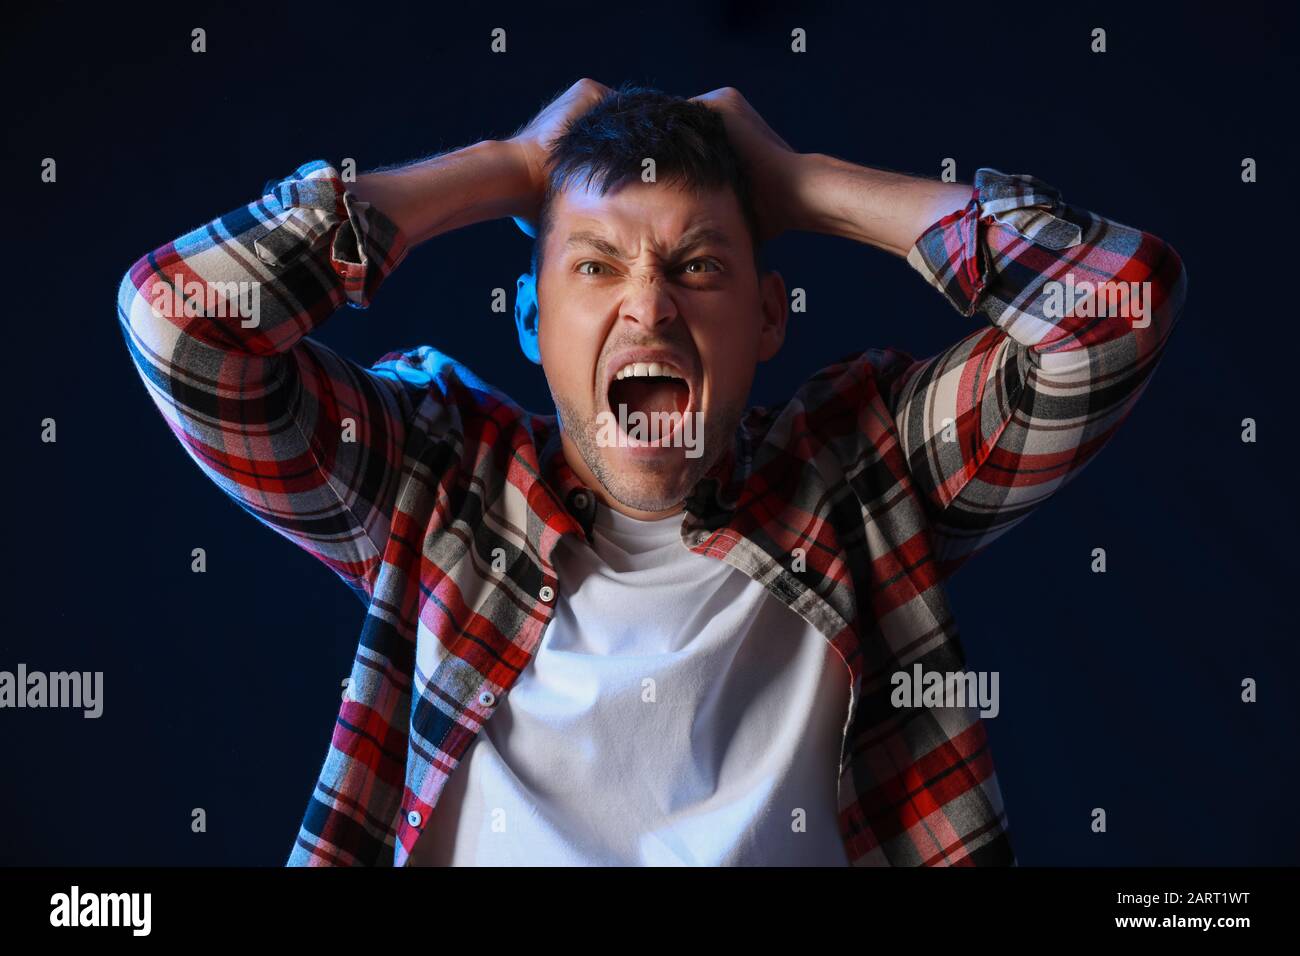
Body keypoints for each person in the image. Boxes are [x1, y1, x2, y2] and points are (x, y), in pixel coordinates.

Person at [116, 79, 1187, 866]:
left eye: (699, 265)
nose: (650, 306)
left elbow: (1116, 306)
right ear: (531, 321)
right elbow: (178, 323)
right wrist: (503, 168)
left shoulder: (862, 474)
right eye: (595, 265)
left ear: (769, 316)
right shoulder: (434, 482)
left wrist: (807, 186)